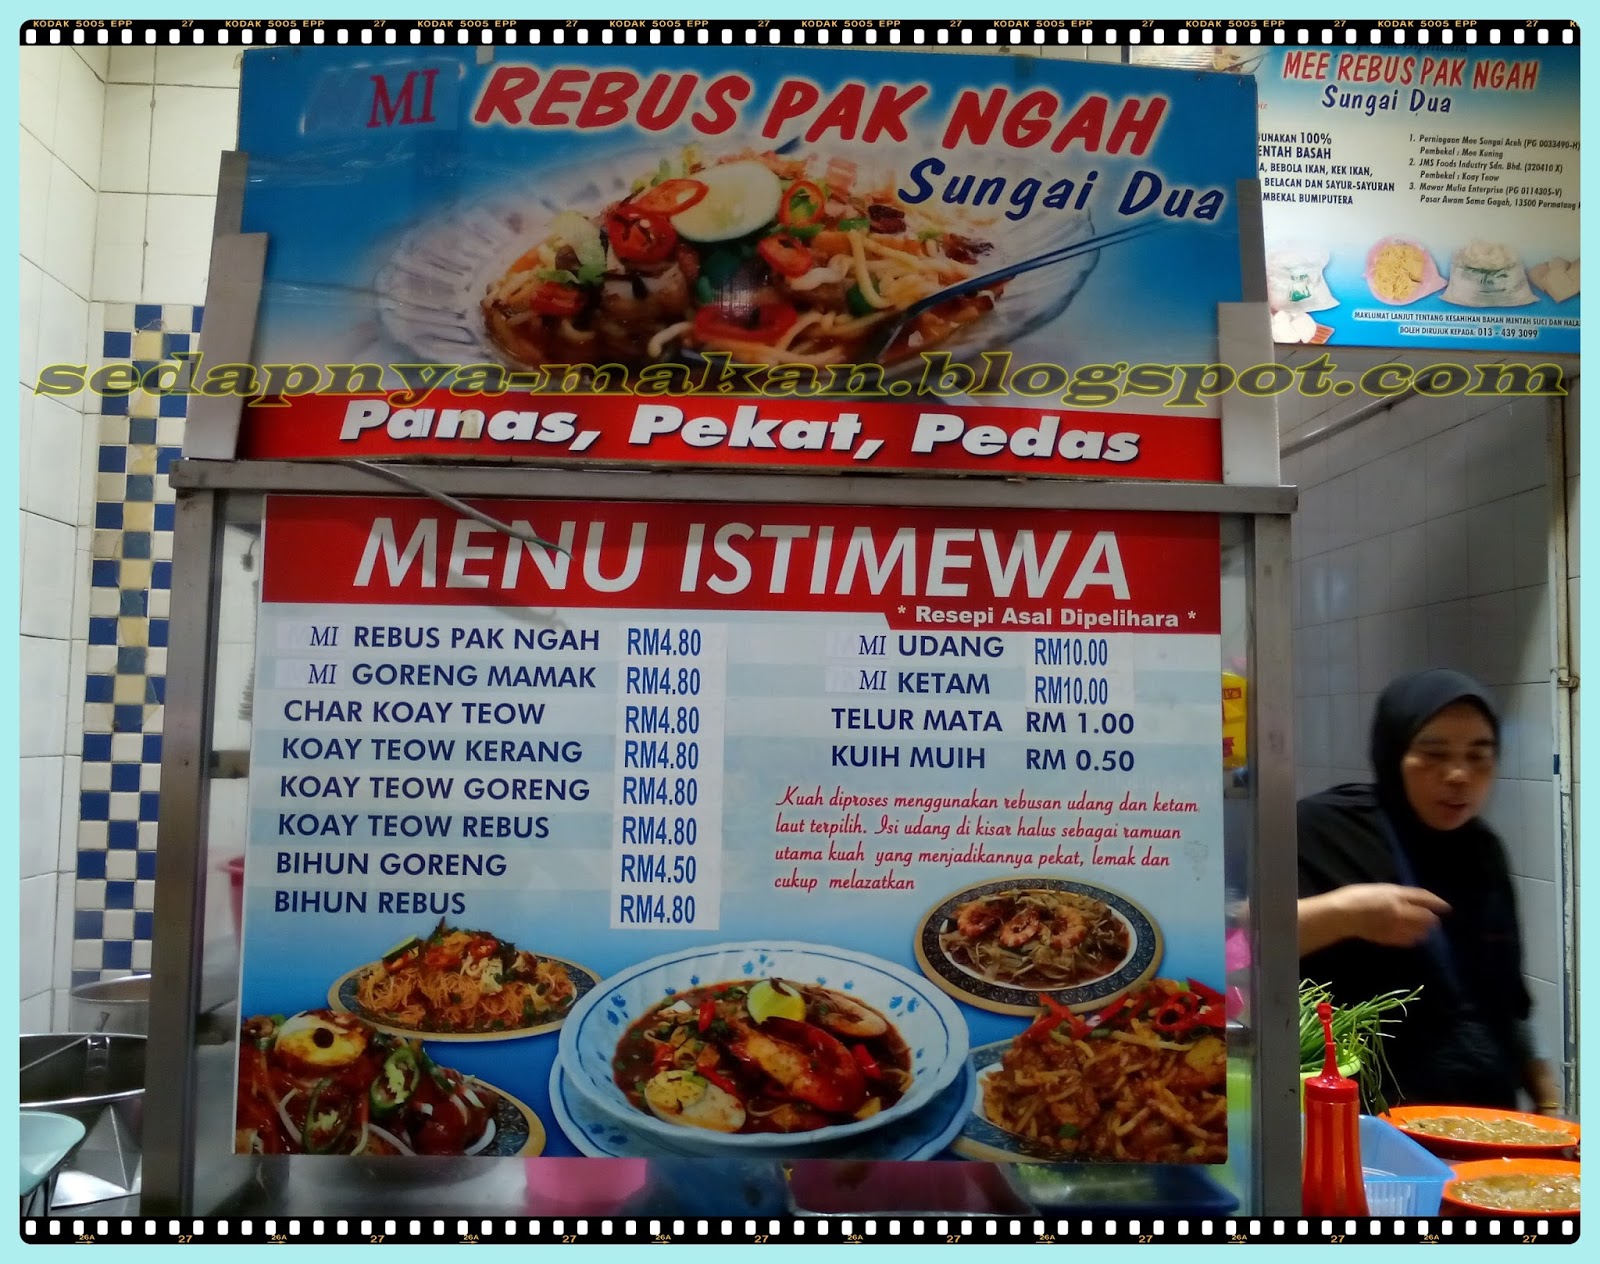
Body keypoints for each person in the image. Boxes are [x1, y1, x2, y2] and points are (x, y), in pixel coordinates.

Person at [1296, 669, 1561, 1112]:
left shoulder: (1482, 849)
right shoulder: (1323, 831)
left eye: (1479, 755)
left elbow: (1506, 1006)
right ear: (1393, 753)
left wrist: (1550, 1107)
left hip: (1481, 1121)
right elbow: (1242, 945)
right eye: (1434, 754)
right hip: (1365, 1128)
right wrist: (1347, 914)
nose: (1458, 775)